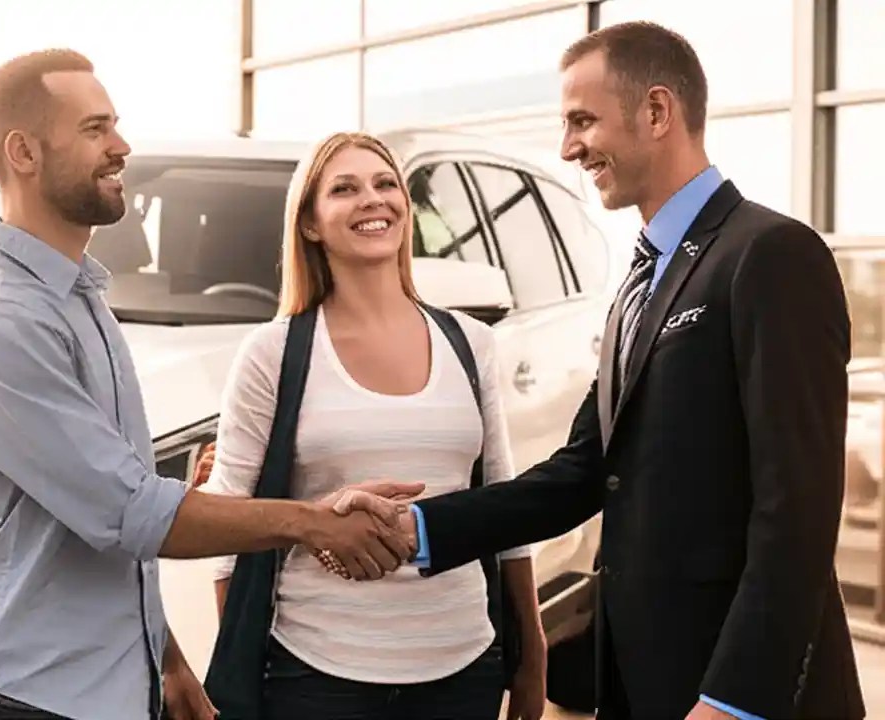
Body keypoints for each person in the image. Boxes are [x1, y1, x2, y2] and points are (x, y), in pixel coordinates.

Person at [365, 20, 866, 720]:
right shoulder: (637, 285)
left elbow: (799, 511)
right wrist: (413, 527)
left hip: (738, 696)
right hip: (641, 684)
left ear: (657, 111)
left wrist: (732, 700)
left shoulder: (771, 254)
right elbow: (581, 471)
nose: (569, 147)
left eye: (582, 121)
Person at [0, 50, 421, 720]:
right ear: (24, 153)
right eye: (95, 129)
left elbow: (107, 522)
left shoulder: (78, 295)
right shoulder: (0, 319)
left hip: (106, 689)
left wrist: (168, 660)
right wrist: (312, 522)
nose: (122, 146)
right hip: (25, 695)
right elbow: (130, 511)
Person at [197, 131, 548, 720]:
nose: (372, 199)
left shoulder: (471, 344)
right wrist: (240, 682)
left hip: (462, 669)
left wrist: (531, 652)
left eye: (386, 185)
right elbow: (229, 530)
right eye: (345, 188)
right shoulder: (273, 352)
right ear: (310, 223)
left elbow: (502, 507)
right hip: (314, 674)